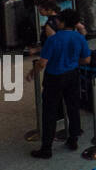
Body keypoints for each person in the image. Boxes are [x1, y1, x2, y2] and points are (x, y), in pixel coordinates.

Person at [30, 9, 92, 158]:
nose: (56, 21)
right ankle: (73, 139)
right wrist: (73, 62)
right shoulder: (79, 38)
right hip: (72, 75)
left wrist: (33, 72)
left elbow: (43, 62)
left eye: (58, 20)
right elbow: (87, 60)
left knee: (50, 112)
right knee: (73, 108)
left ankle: (46, 148)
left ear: (63, 22)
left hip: (54, 77)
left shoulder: (53, 39)